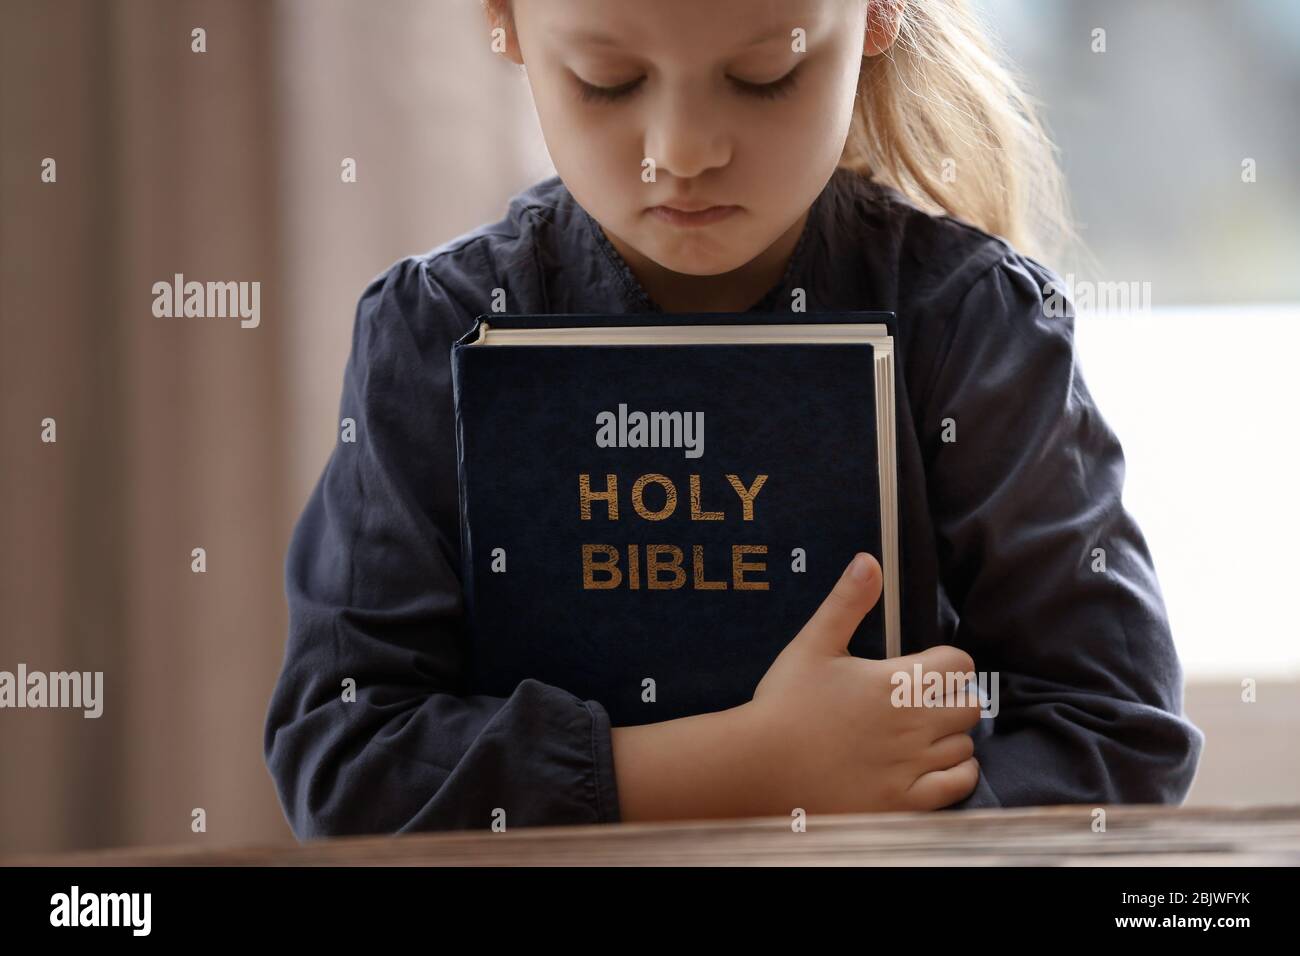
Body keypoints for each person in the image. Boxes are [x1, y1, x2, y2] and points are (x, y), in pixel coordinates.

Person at [263, 0, 1203, 835]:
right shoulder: (433, 336)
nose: (682, 150)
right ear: (502, 22)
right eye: (608, 81)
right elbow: (347, 762)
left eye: (766, 76)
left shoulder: (974, 328)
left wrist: (881, 823)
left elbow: (1114, 729)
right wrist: (756, 768)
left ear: (877, 18)